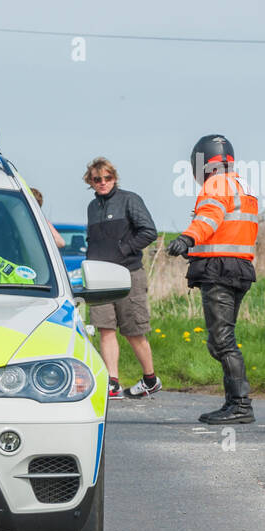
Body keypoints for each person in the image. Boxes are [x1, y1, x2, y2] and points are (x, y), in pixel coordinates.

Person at [166, 134, 258, 424]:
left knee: (221, 341)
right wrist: (197, 250)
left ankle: (240, 406)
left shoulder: (215, 184)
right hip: (237, 268)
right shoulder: (242, 185)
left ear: (202, 162)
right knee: (220, 340)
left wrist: (187, 238)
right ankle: (235, 403)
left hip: (220, 271)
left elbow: (209, 217)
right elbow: (228, 231)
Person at [83, 157, 160, 399]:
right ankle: (112, 382)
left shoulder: (129, 200)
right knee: (105, 328)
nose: (103, 183)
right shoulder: (92, 207)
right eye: (97, 179)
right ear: (91, 182)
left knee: (132, 330)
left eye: (107, 178)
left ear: (114, 178)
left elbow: (149, 231)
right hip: (100, 277)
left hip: (128, 274)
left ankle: (150, 379)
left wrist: (123, 249)